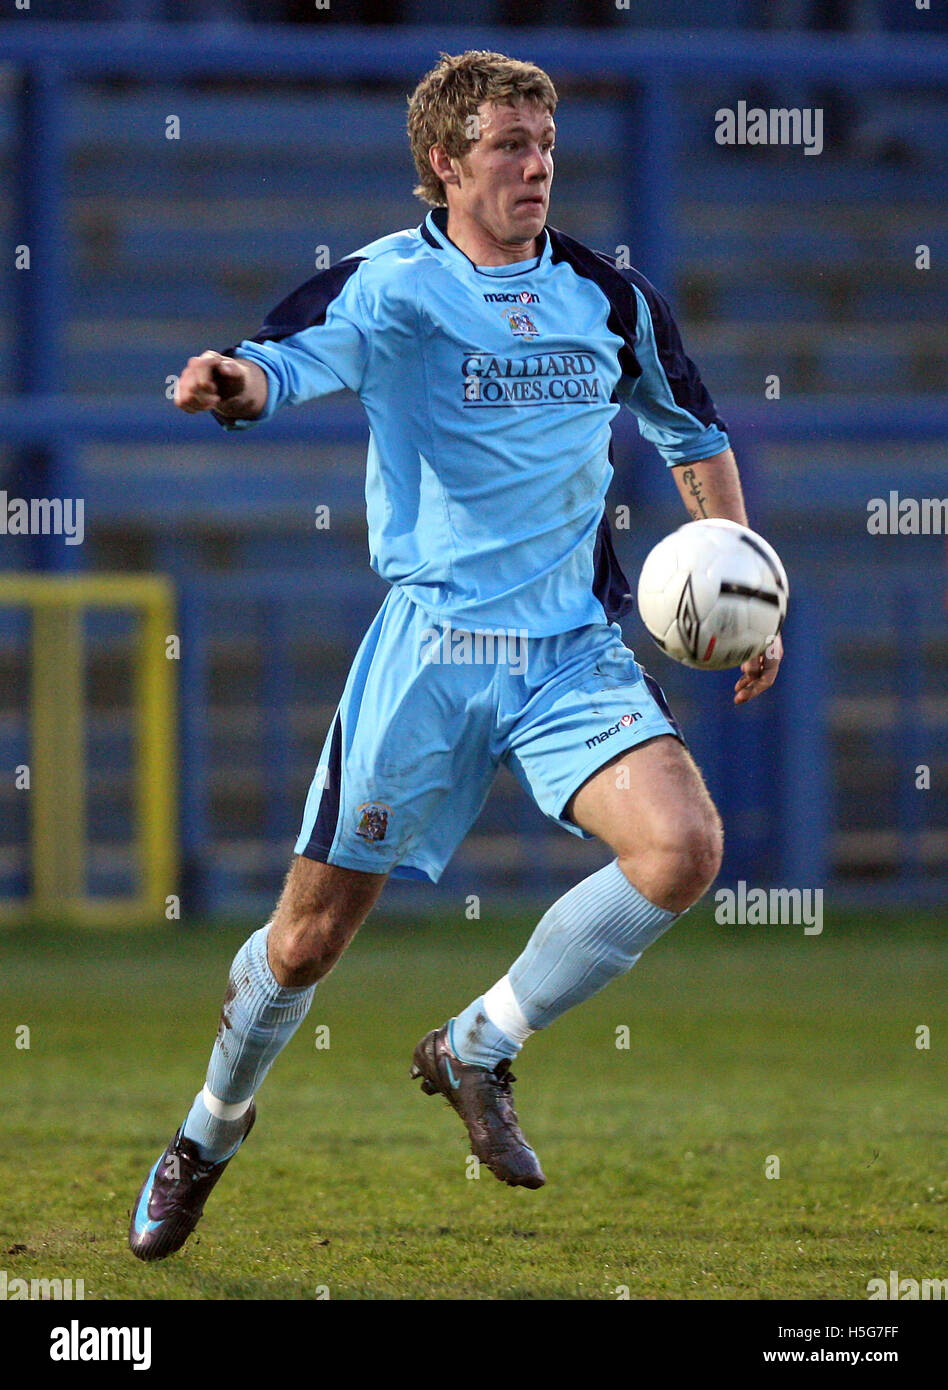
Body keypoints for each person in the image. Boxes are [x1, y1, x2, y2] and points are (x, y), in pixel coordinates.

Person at [129, 48, 781, 1261]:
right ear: (444, 161)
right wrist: (232, 382)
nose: (537, 168)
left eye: (547, 147)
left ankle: (479, 1044)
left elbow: (692, 430)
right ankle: (207, 1131)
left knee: (683, 847)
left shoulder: (609, 297)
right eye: (509, 147)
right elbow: (284, 360)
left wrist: (745, 586)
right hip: (431, 649)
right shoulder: (392, 285)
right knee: (305, 942)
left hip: (570, 648)